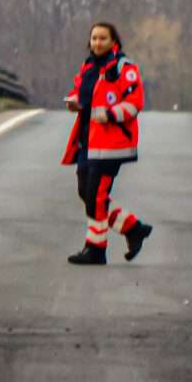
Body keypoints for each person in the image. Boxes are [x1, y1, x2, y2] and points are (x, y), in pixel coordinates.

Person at [62, 22, 151, 265]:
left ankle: (96, 249)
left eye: (103, 38)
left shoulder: (124, 68)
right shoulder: (89, 66)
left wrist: (111, 114)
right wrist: (76, 102)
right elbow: (85, 96)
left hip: (112, 144)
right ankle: (133, 228)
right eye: (94, 38)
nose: (97, 43)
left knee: (96, 196)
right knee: (85, 192)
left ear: (114, 42)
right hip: (87, 141)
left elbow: (135, 101)